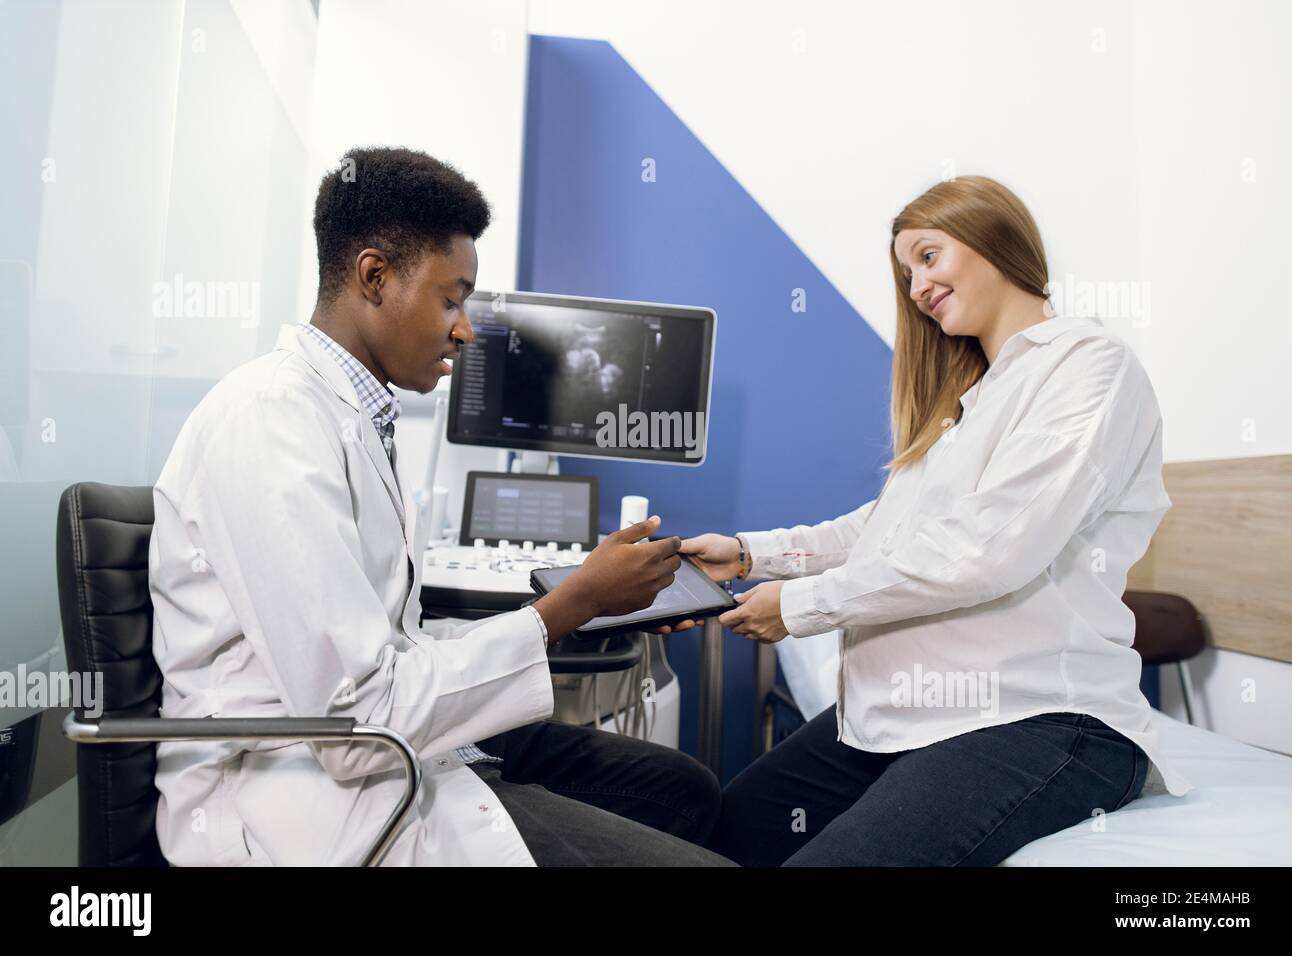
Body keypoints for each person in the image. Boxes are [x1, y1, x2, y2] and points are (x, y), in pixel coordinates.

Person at [149, 146, 733, 866]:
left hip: (380, 757)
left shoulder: (348, 418)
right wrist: (566, 608)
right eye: (452, 299)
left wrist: (587, 604)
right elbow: (357, 715)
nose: (466, 328)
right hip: (294, 801)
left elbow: (388, 645)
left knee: (687, 792)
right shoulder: (269, 422)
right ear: (374, 276)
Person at [683, 175, 1191, 867]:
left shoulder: (1087, 366)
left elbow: (990, 551)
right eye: (905, 272)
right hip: (906, 718)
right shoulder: (971, 404)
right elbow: (881, 531)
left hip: (1038, 718)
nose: (916, 287)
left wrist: (801, 606)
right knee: (725, 834)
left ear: (994, 238)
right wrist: (748, 555)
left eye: (928, 256)